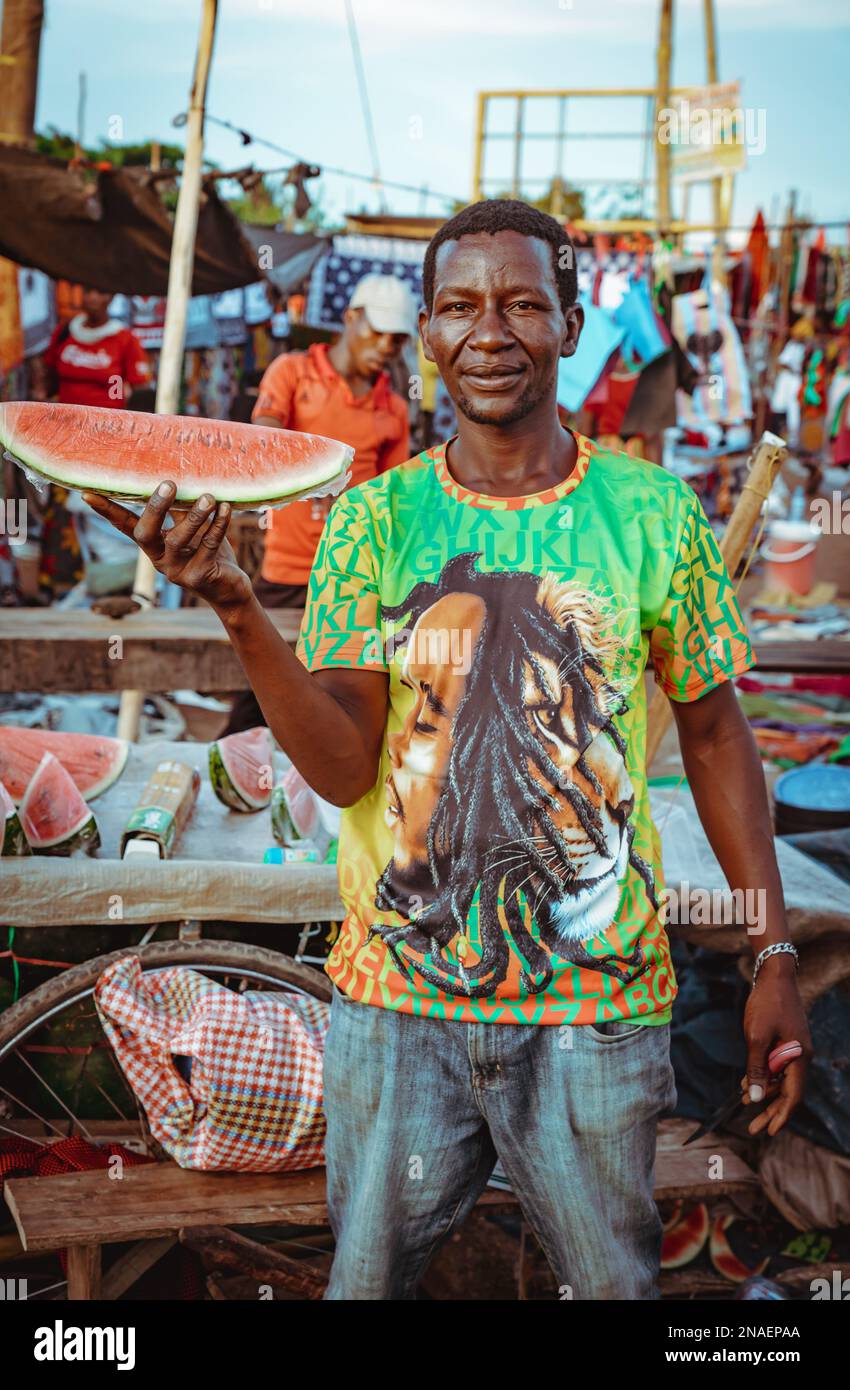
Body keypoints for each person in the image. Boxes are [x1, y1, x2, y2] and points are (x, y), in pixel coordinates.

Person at [85, 199, 812, 1301]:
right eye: (462, 305)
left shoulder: (654, 514)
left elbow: (714, 735)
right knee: (364, 1285)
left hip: (594, 1016)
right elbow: (340, 769)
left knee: (615, 1289)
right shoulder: (369, 523)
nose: (491, 330)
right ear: (425, 331)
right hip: (394, 1006)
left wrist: (770, 954)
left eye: (524, 302)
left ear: (570, 325)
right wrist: (238, 606)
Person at [221, 272, 413, 735]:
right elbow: (264, 436)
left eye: (398, 337)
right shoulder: (292, 371)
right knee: (260, 694)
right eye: (378, 329)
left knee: (346, 696)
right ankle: (228, 769)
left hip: (358, 575)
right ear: (350, 318)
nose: (386, 344)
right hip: (287, 573)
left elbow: (393, 497)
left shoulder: (395, 408)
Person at [39, 288, 150, 597]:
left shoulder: (124, 340)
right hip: (59, 439)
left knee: (92, 506)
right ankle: (58, 582)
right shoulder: (64, 332)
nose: (91, 299)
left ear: (112, 299)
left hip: (104, 444)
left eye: (99, 293)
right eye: (87, 292)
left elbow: (141, 389)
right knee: (62, 512)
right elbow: (48, 373)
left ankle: (99, 580)